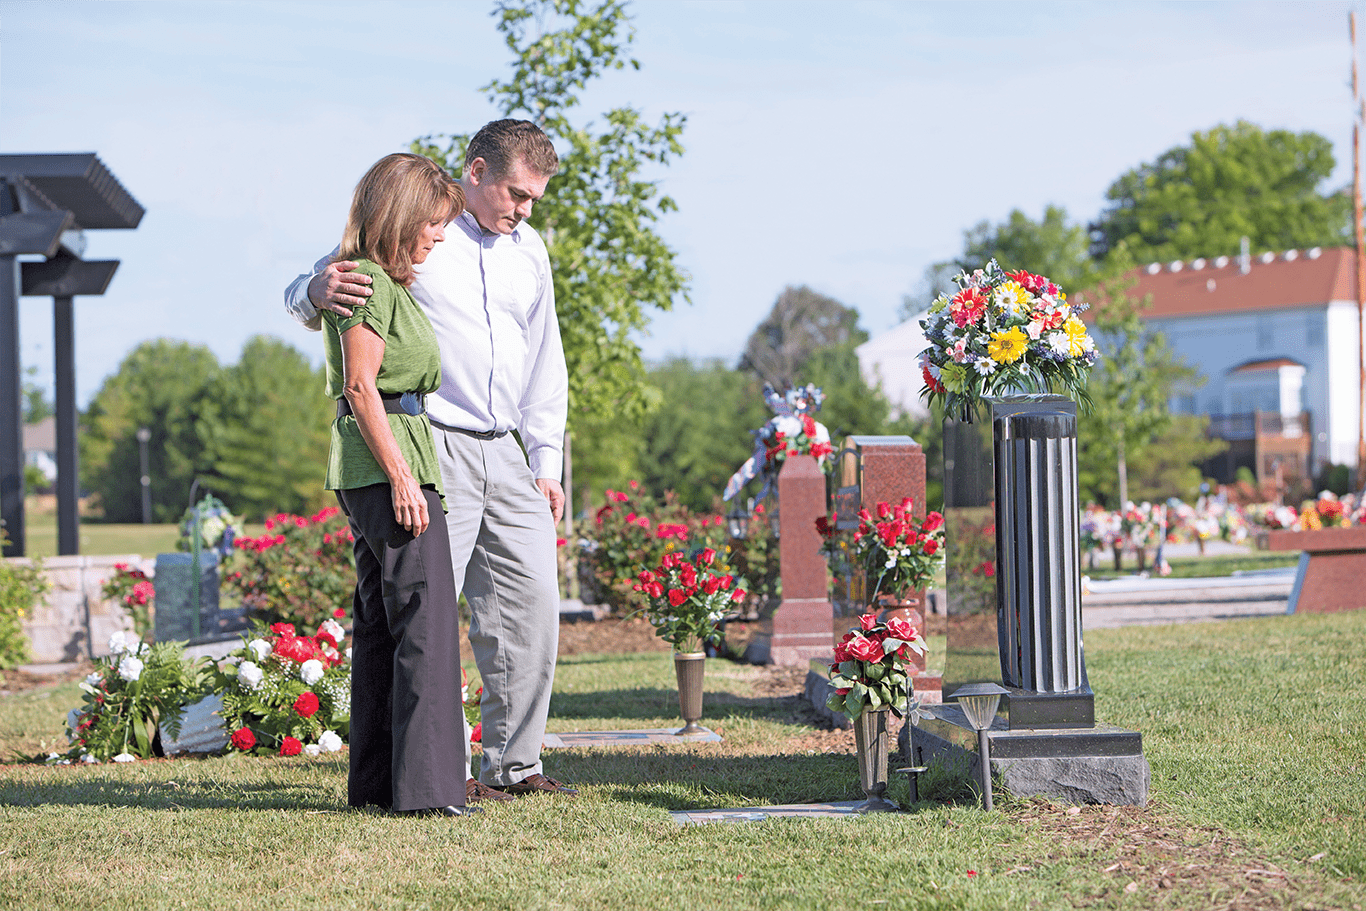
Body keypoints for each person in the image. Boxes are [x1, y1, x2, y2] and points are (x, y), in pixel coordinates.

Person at [286, 120, 575, 800]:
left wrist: (546, 459)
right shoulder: (419, 230)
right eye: (517, 193)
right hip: (431, 443)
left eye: (534, 199)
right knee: (428, 614)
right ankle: (446, 772)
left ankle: (515, 765)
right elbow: (319, 284)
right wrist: (313, 292)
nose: (525, 210)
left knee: (533, 607)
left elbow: (545, 357)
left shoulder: (531, 250)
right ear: (476, 172)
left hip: (509, 452)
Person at [322, 152, 474, 817]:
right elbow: (361, 387)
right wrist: (402, 477)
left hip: (385, 460)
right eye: (433, 222)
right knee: (426, 620)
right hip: (387, 464)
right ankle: (428, 793)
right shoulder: (364, 282)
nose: (439, 235)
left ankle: (380, 786)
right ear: (401, 215)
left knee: (385, 623)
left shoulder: (383, 282)